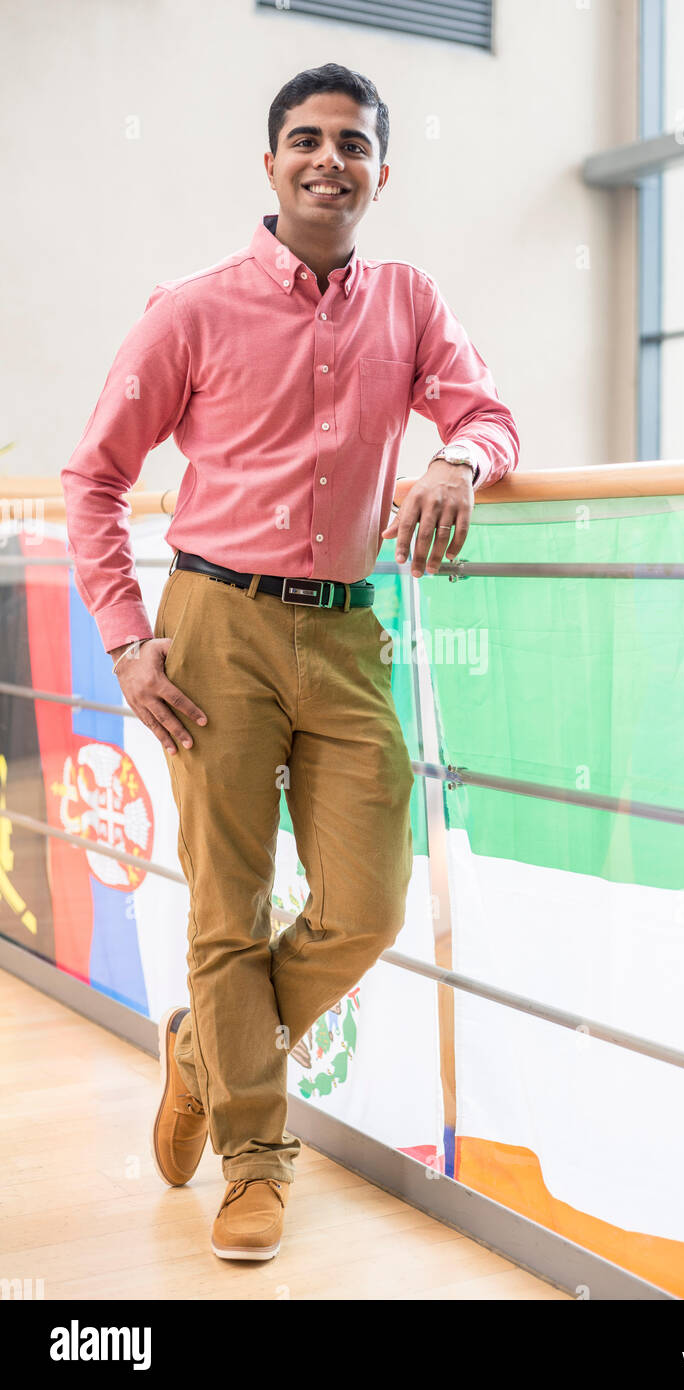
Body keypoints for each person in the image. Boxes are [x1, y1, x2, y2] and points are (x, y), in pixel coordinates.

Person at [61, 61, 520, 1262]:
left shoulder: (410, 301)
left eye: (354, 144)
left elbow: (488, 412)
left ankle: (204, 1051)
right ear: (270, 164)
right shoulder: (193, 307)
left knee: (367, 904)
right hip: (213, 627)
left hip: (348, 627)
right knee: (229, 904)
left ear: (380, 170)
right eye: (307, 140)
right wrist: (123, 634)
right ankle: (256, 1164)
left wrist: (454, 463)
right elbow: (93, 479)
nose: (330, 159)